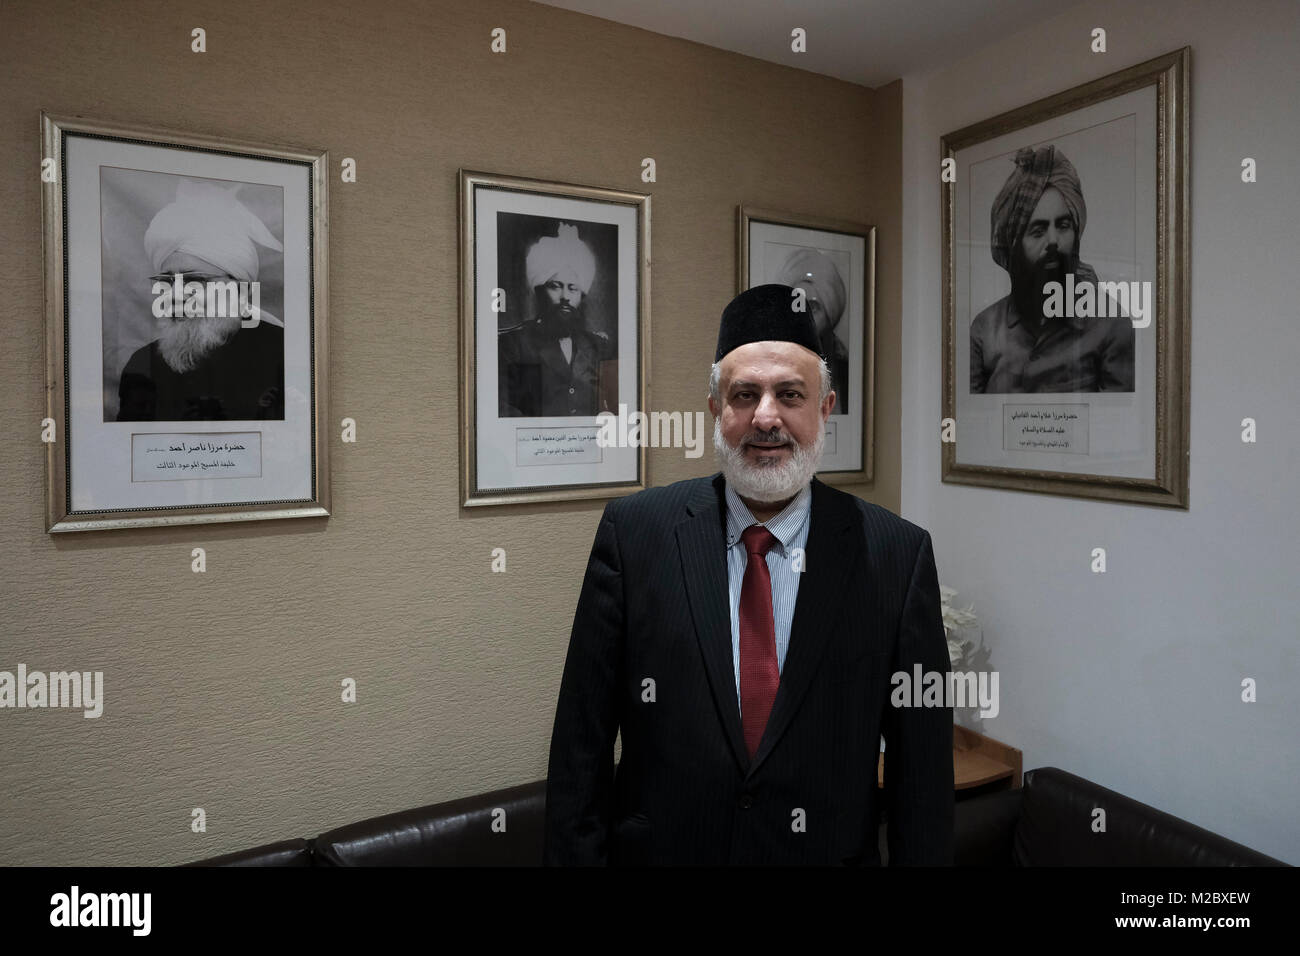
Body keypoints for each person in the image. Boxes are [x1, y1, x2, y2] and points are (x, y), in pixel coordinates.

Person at [545, 283, 954, 865]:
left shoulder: (896, 556)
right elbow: (579, 749)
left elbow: (924, 781)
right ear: (716, 410)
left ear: (825, 409)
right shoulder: (635, 535)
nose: (767, 417)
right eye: (745, 395)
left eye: (790, 393)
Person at [970, 145, 1135, 394]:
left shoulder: (1111, 324)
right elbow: (972, 420)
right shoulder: (985, 329)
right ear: (1014, 246)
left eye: (1063, 226)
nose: (1054, 241)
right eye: (1038, 231)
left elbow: (1119, 424)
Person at [117, 180, 285, 422]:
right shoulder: (143, 365)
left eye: (193, 280)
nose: (176, 294)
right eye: (167, 281)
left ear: (239, 290)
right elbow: (123, 451)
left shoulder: (283, 355)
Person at [497, 222, 614, 417]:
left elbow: (616, 408)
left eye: (573, 288)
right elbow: (501, 409)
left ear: (581, 295)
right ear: (540, 291)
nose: (565, 297)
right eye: (556, 286)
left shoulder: (598, 346)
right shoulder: (514, 345)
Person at [774, 246, 850, 414]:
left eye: (813, 307)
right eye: (800, 306)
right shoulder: (776, 365)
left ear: (830, 308)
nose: (805, 316)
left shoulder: (845, 369)